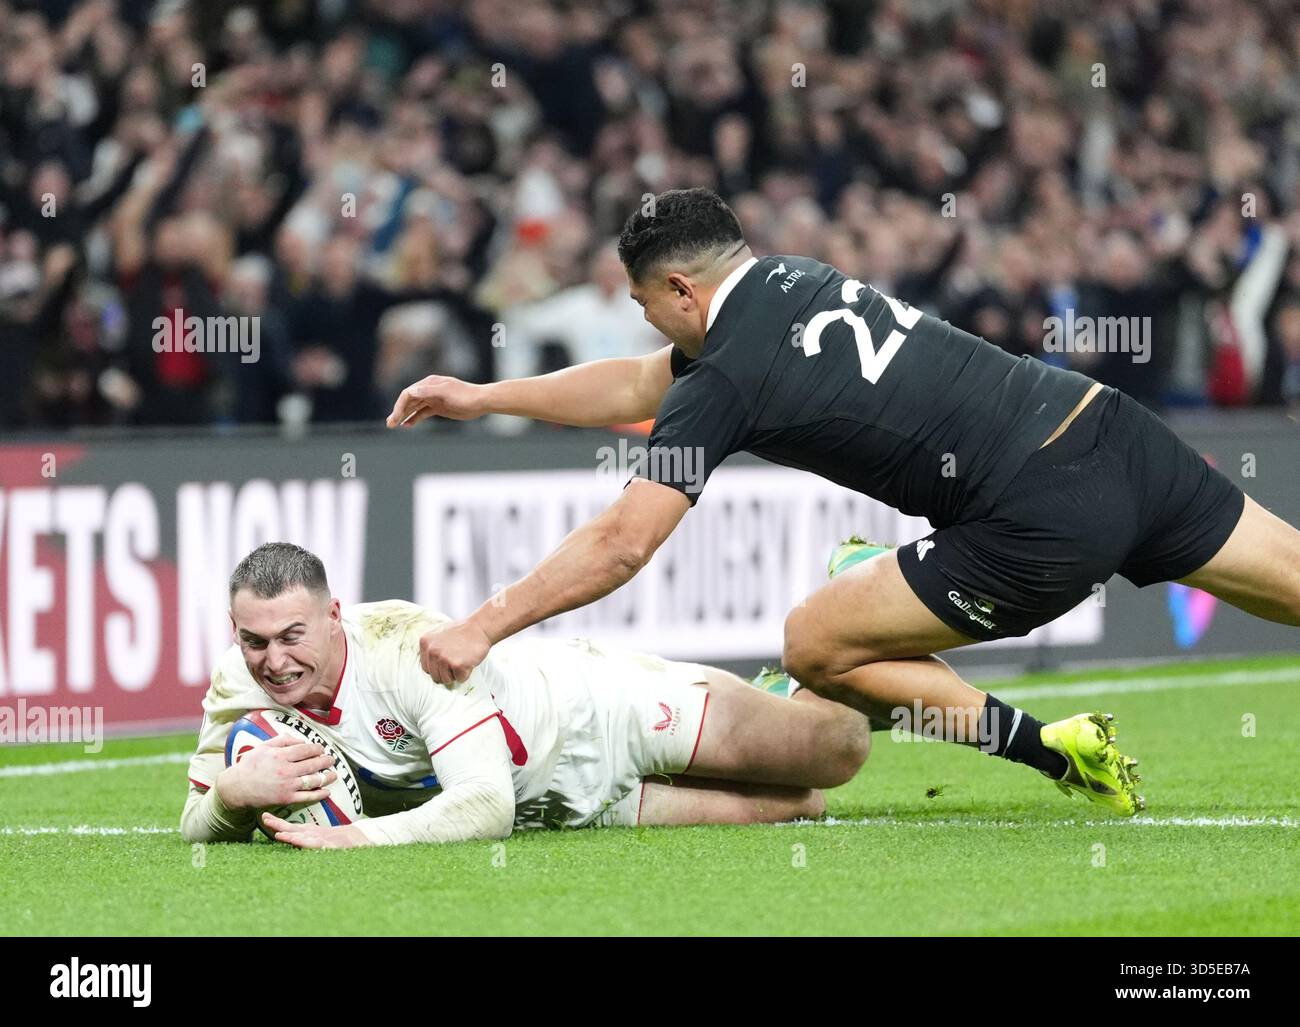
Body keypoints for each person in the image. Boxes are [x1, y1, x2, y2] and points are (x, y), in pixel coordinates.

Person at [388, 189, 1300, 817]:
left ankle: (1051, 748)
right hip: (1105, 426)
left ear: (681, 290)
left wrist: (485, 625)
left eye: (646, 304)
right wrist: (485, 396)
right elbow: (635, 381)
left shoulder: (726, 372)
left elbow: (626, 542)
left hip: (1039, 517)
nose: (647, 325)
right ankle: (875, 577)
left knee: (814, 645)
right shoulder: (794, 277)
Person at [180, 542, 872, 848]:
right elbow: (194, 820)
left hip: (602, 713)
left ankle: (858, 590)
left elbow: (485, 803)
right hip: (567, 807)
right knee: (797, 806)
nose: (274, 660)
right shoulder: (236, 681)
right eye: (255, 639)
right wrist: (229, 796)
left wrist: (357, 836)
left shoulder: (405, 647)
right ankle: (772, 695)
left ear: (334, 615)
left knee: (838, 752)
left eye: (292, 634)